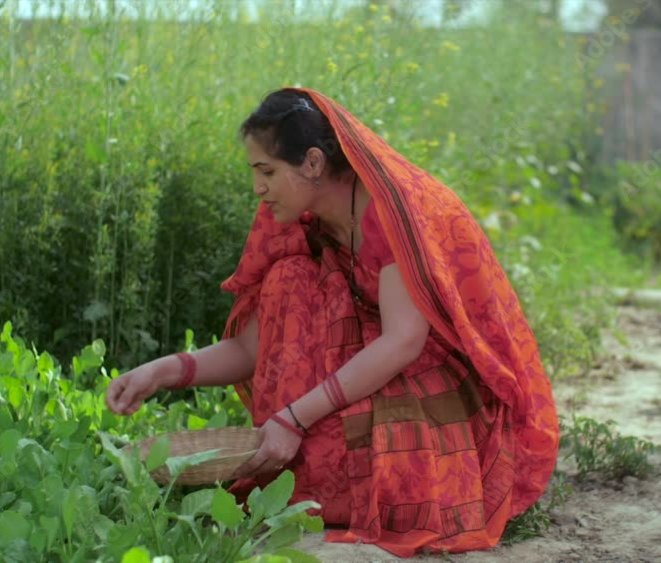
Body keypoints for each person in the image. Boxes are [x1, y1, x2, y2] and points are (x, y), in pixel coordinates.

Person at [105, 87, 559, 557]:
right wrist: (161, 371)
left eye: (267, 171)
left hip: (433, 368)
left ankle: (354, 471)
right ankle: (313, 468)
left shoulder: (392, 212)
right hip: (373, 357)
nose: (258, 187)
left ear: (313, 163)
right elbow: (249, 349)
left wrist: (294, 418)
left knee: (349, 453)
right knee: (289, 279)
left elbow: (404, 341)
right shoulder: (307, 223)